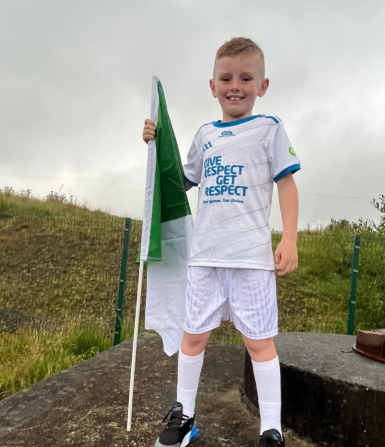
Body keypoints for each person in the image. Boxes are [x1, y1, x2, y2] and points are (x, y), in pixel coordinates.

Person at [142, 37, 299, 447]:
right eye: (226, 77)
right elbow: (180, 180)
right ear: (212, 85)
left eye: (246, 77)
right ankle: (185, 418)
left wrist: (291, 238)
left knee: (259, 344)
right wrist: (155, 144)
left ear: (262, 85)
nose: (235, 85)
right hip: (205, 257)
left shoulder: (270, 129)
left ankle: (271, 430)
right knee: (192, 337)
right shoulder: (205, 134)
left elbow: (287, 184)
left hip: (251, 258)